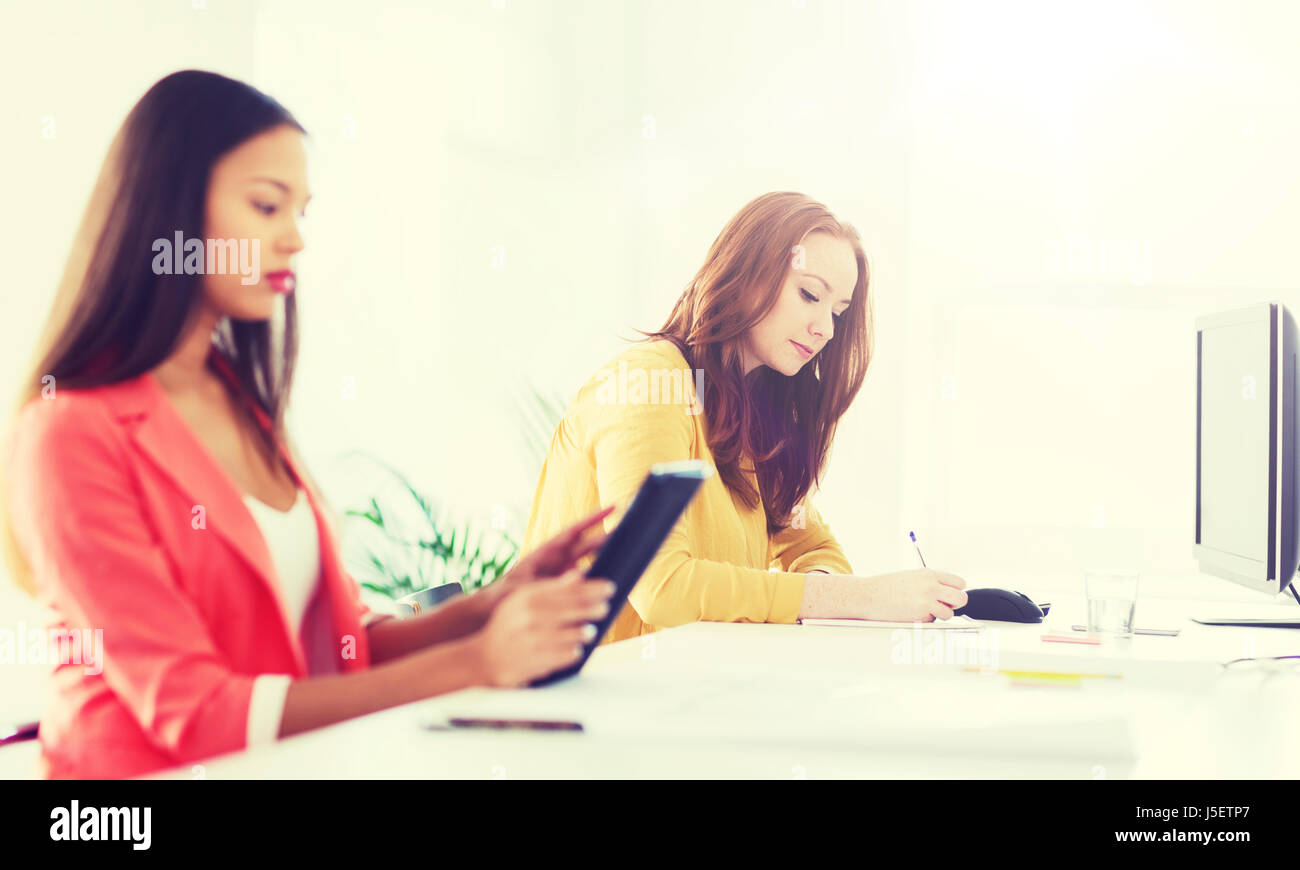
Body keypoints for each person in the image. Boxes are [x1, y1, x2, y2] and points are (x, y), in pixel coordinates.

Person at [0, 70, 613, 779]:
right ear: (167, 212)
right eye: (266, 206)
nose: (294, 239)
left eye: (301, 211)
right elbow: (198, 716)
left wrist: (491, 608)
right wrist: (475, 664)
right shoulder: (67, 435)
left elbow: (338, 647)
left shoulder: (242, 402)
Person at [522, 191, 966, 645]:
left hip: (676, 695)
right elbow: (662, 587)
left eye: (837, 312)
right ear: (746, 273)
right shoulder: (651, 382)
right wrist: (859, 598)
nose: (826, 329)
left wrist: (831, 589)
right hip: (579, 701)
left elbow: (815, 548)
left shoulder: (750, 422)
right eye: (809, 294)